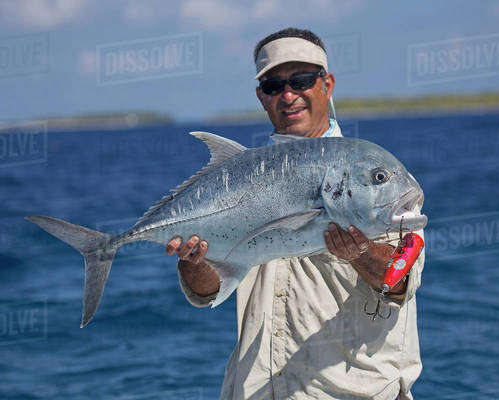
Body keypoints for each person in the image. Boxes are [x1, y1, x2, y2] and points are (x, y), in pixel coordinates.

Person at [166, 28, 425, 400]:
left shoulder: (374, 178)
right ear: (261, 97)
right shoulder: (244, 176)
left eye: (302, 80)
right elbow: (209, 291)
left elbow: (399, 281)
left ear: (327, 84)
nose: (288, 95)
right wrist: (193, 262)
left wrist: (361, 252)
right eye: (274, 85)